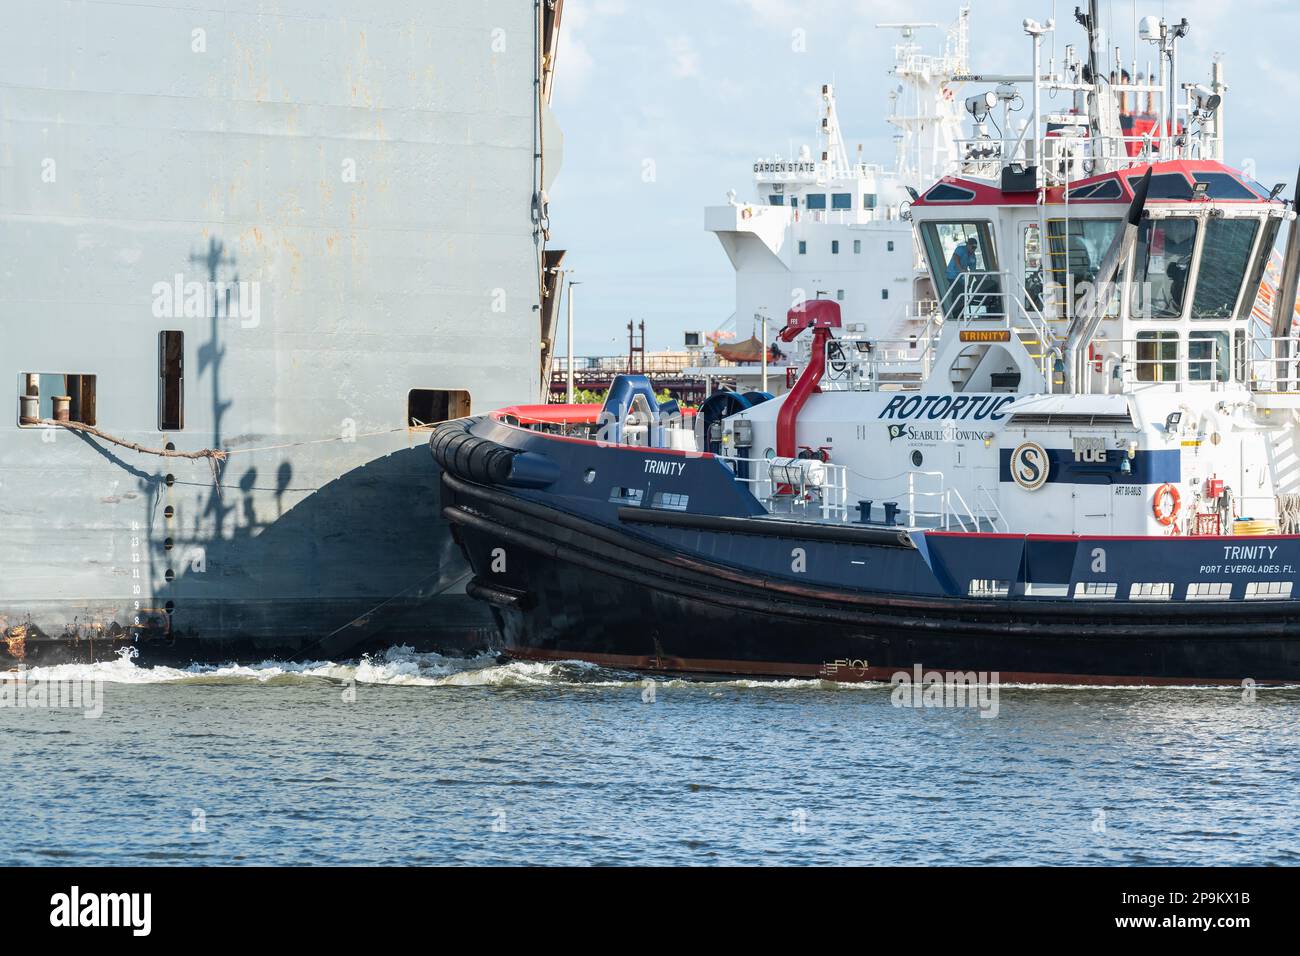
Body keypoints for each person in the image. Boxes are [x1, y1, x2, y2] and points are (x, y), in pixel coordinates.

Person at [945, 237, 979, 318]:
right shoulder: (960, 249)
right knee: (957, 294)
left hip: (961, 279)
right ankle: (956, 315)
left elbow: (972, 272)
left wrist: (969, 285)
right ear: (967, 245)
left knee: (962, 295)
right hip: (952, 275)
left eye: (975, 248)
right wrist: (960, 269)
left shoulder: (973, 257)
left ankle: (961, 314)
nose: (973, 249)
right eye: (972, 247)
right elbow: (956, 257)